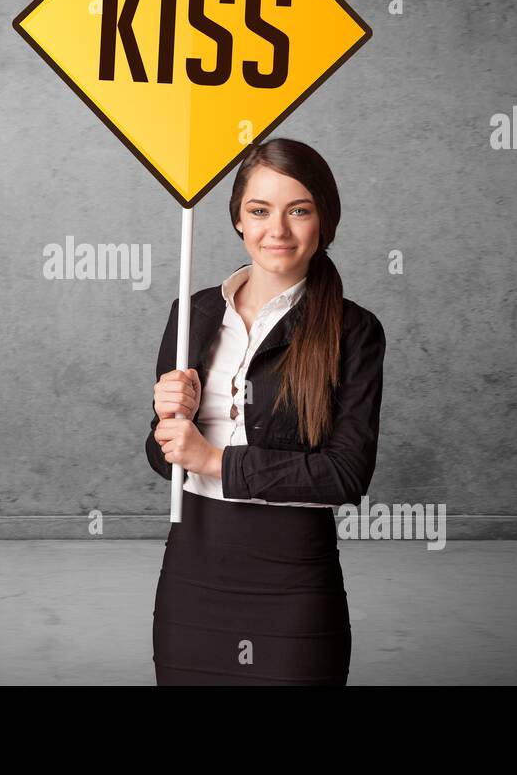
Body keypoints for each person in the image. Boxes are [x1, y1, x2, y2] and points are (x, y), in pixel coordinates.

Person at [146, 137, 386, 685]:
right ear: (237, 219)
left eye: (298, 210)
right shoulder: (193, 313)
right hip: (193, 572)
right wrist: (166, 424)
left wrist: (212, 461)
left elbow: (346, 475)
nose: (277, 230)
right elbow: (163, 458)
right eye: (259, 211)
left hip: (293, 578)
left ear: (324, 220)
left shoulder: (355, 331)